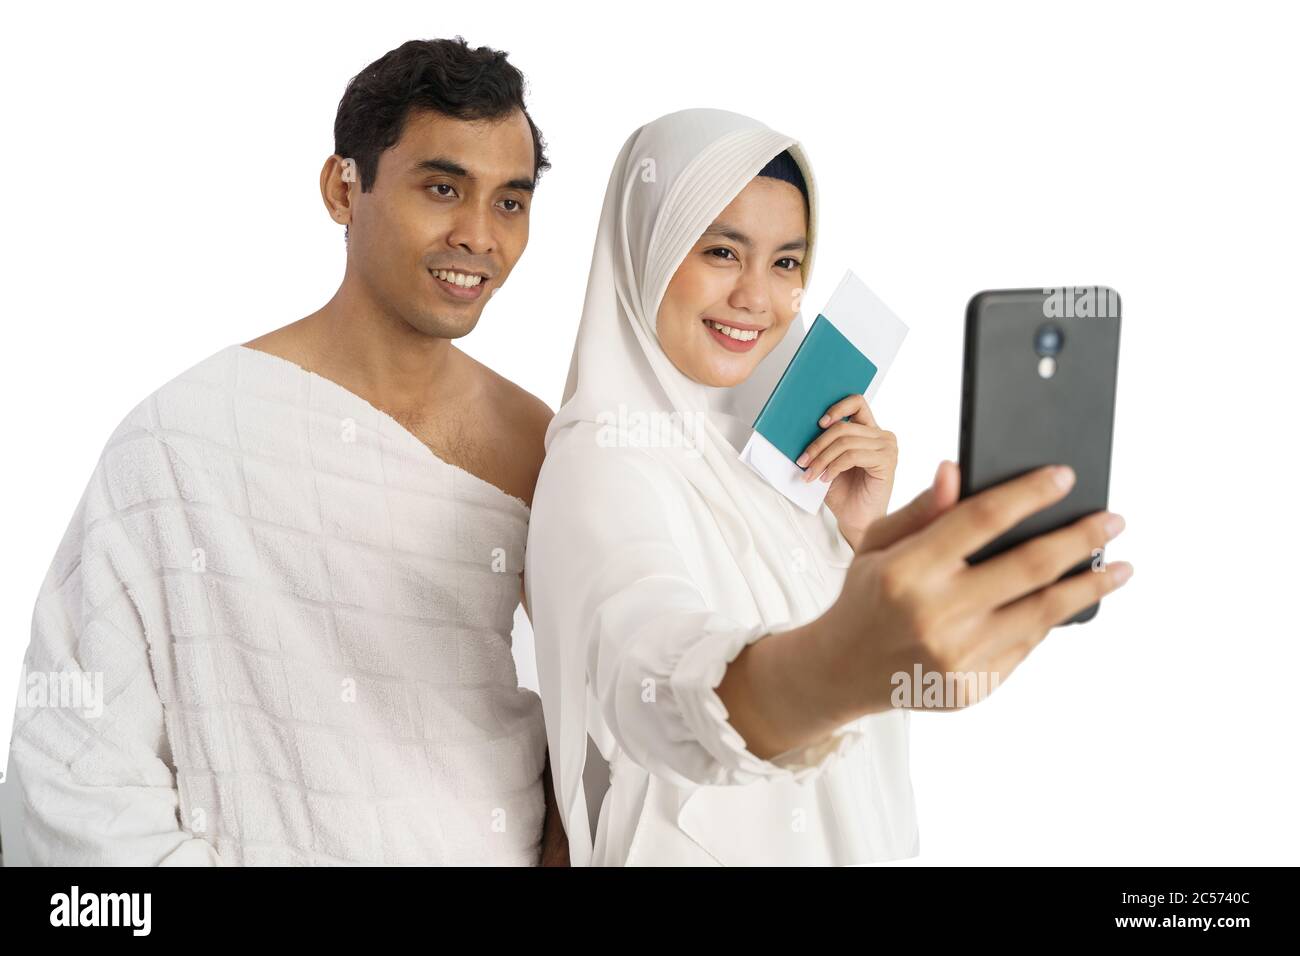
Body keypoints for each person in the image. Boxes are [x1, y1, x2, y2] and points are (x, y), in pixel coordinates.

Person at [7, 37, 568, 865]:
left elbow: (604, 717)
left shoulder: (540, 445)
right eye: (443, 188)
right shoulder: (181, 438)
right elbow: (76, 760)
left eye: (510, 202)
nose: (479, 236)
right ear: (344, 188)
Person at [524, 108, 1133, 866]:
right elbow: (652, 678)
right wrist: (837, 660)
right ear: (646, 246)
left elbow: (857, 746)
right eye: (721, 251)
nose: (757, 297)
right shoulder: (604, 461)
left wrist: (854, 544)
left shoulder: (781, 459)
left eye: (786, 263)